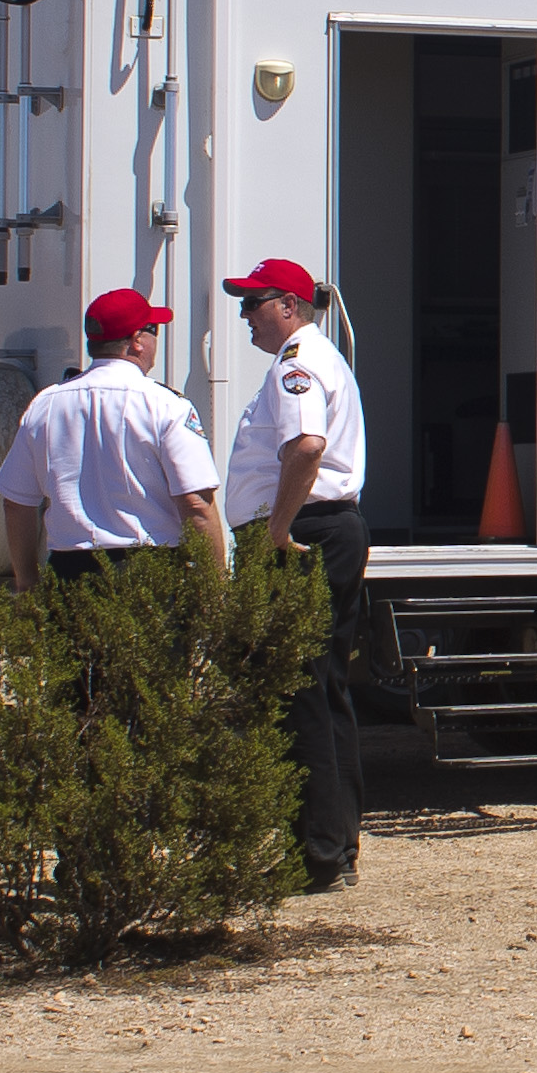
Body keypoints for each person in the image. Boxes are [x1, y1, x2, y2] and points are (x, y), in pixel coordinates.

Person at [220, 259, 366, 890]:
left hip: (304, 534)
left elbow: (306, 447)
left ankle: (317, 854)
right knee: (325, 688)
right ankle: (336, 845)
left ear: (288, 305)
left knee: (297, 689)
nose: (245, 317)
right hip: (329, 528)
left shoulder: (296, 364)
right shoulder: (316, 357)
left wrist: (277, 529)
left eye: (252, 303)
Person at [0, 290, 227, 584]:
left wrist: (27, 581)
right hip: (146, 571)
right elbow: (195, 503)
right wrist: (216, 587)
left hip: (69, 571)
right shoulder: (165, 405)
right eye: (153, 331)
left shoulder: (45, 405)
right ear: (137, 340)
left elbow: (17, 504)